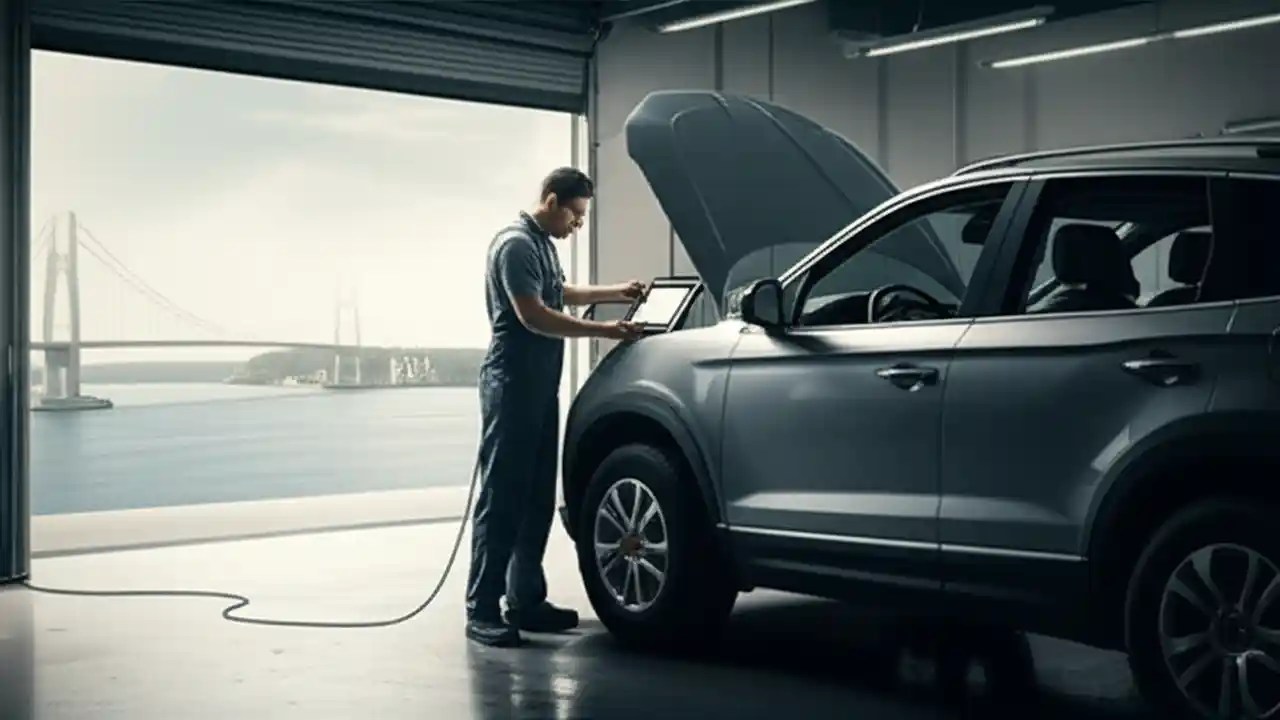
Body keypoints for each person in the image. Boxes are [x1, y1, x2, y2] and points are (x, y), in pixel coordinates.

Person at [466, 167, 645, 647]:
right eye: (576, 214)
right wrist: (606, 332)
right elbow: (535, 315)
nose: (579, 225)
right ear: (551, 200)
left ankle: (525, 601)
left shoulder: (543, 244)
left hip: (541, 389)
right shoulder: (515, 245)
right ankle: (481, 611)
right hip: (511, 387)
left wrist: (614, 293)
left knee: (538, 501)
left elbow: (559, 294)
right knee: (502, 501)